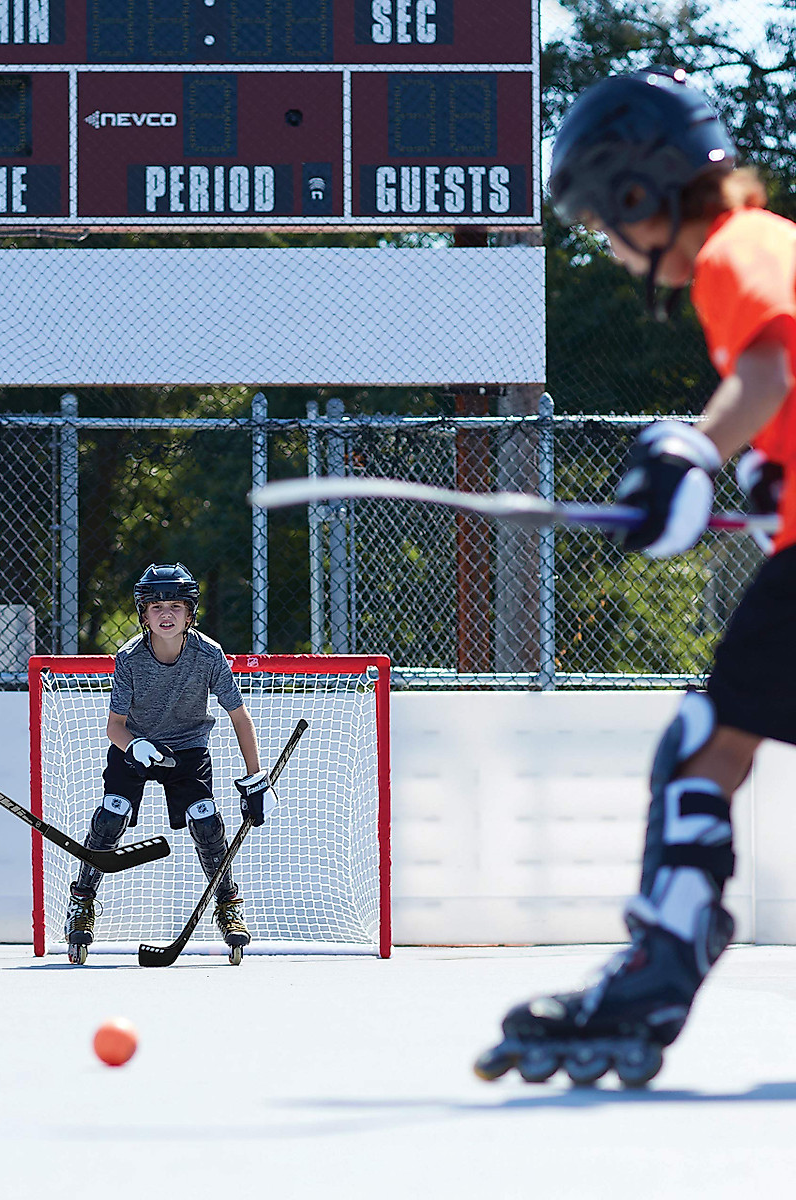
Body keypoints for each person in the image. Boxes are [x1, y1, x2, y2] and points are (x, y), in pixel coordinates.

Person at [475, 67, 796, 1086]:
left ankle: (666, 957)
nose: (607, 249)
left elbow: (773, 367)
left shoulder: (740, 250)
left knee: (705, 746)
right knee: (715, 739)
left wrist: (694, 453)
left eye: (597, 223)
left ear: (636, 195)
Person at [64, 562, 272, 965]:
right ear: (142, 613)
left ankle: (227, 903)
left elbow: (239, 717)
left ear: (190, 612)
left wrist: (255, 779)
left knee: (206, 818)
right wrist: (135, 745)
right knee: (112, 814)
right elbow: (114, 727)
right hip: (136, 747)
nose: (165, 613)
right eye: (155, 605)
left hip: (188, 749)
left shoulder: (209, 654)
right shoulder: (129, 658)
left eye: (175, 605)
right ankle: (83, 901)